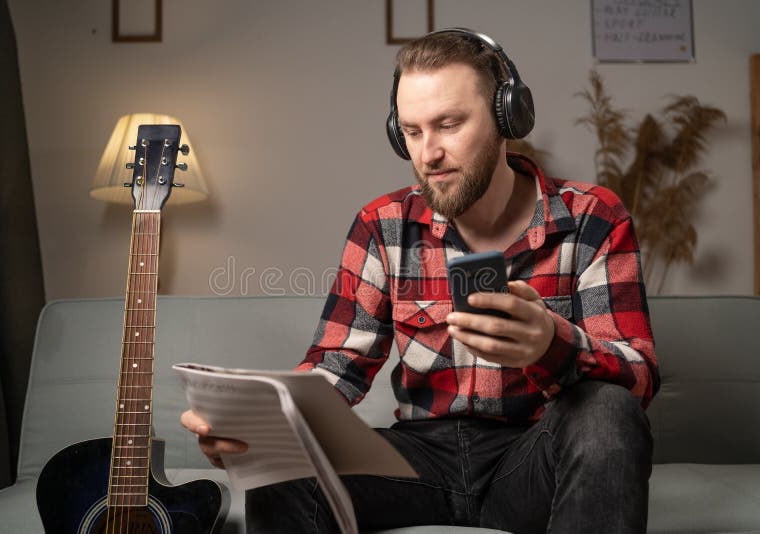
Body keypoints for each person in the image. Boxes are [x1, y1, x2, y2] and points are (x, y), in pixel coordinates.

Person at [181, 28, 660, 533]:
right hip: (419, 461)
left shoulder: (592, 216)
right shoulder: (382, 224)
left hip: (534, 457)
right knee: (285, 465)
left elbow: (639, 376)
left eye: (449, 124)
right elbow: (337, 368)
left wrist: (551, 345)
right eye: (412, 132)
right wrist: (258, 427)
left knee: (608, 408)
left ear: (507, 118)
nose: (428, 154)